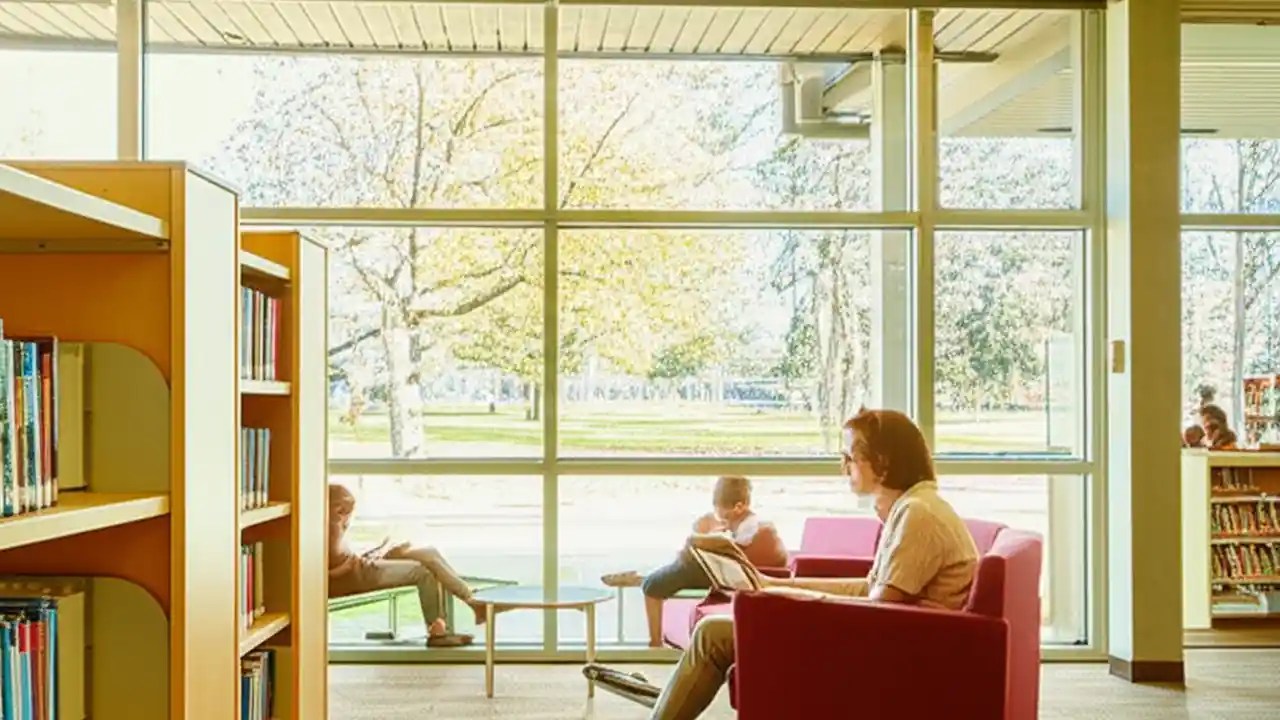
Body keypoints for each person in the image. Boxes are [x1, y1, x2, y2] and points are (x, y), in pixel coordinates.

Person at [602, 409, 979, 720]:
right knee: (719, 629)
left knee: (713, 634)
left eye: (850, 457)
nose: (842, 466)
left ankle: (669, 708)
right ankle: (672, 703)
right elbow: (873, 591)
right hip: (895, 639)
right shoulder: (913, 508)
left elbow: (881, 612)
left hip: (889, 652)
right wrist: (770, 585)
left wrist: (783, 605)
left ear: (882, 462)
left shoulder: (918, 515)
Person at [602, 476, 789, 648]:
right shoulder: (749, 524)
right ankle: (640, 578)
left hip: (722, 574)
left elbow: (731, 550)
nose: (721, 518)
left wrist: (700, 537)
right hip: (721, 572)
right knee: (667, 570)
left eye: (723, 513)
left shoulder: (750, 529)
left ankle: (655, 642)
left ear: (739, 507)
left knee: (653, 586)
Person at [328, 482, 486, 647]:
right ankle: (442, 630)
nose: (348, 517)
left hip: (361, 566)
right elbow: (337, 568)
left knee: (426, 552)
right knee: (422, 572)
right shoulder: (332, 528)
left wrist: (371, 553)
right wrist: (366, 558)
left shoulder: (328, 524)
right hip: (358, 575)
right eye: (347, 511)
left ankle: (471, 601)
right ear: (339, 508)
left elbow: (340, 557)